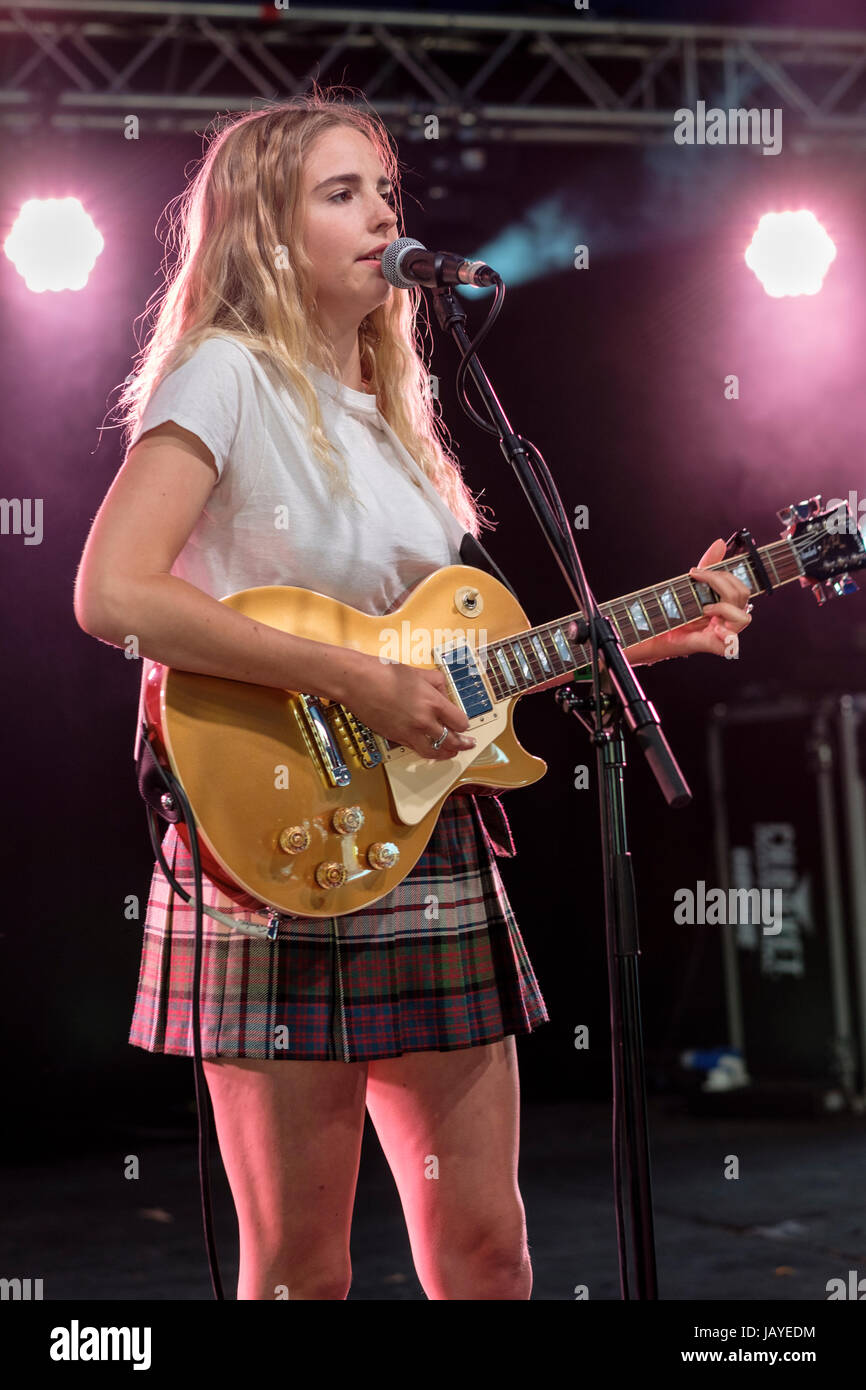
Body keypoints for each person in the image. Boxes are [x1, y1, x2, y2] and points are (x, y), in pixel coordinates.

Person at [73, 90, 753, 1301]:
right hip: (269, 834)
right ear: (264, 234)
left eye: (383, 189)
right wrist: (352, 679)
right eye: (341, 192)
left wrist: (655, 629)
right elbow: (112, 592)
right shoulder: (223, 374)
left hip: (426, 835)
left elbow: (469, 664)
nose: (381, 212)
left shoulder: (400, 419)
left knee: (489, 1254)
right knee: (300, 1271)